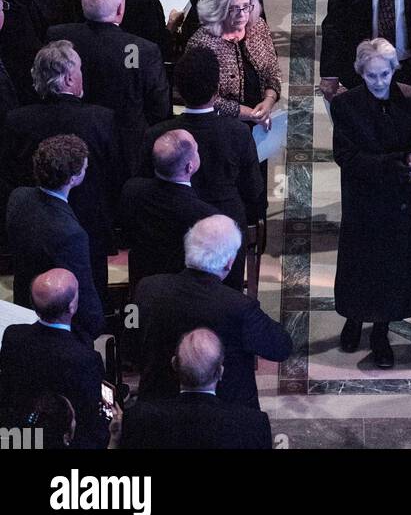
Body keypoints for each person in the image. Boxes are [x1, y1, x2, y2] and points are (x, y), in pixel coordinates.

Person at [332, 38, 411, 368]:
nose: (378, 82)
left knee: (392, 267)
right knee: (359, 264)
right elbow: (346, 156)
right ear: (361, 73)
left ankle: (381, 330)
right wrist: (403, 161)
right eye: (371, 76)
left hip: (399, 199)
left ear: (394, 71)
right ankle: (353, 318)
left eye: (384, 75)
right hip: (363, 198)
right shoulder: (346, 105)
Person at [0, 39, 122, 302]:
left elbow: (8, 177)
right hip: (88, 226)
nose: (82, 76)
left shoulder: (17, 121)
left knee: (33, 299)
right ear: (68, 79)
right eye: (79, 70)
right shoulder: (101, 119)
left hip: (34, 226)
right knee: (88, 298)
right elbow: (114, 176)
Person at [134, 214, 292, 407]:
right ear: (229, 263)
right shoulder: (240, 307)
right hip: (227, 407)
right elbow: (281, 347)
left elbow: (130, 338)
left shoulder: (145, 289)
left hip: (159, 400)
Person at [140, 46, 263, 282]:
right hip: (224, 236)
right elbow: (253, 191)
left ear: (178, 89)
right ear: (217, 90)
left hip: (169, 234)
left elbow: (146, 184)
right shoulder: (237, 132)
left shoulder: (158, 134)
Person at [48, 0, 170, 177]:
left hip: (68, 145)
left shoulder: (58, 37)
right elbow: (160, 108)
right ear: (121, 9)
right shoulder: (143, 50)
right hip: (125, 154)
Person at [5, 133, 103, 339]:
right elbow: (82, 290)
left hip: (24, 297)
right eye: (84, 167)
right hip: (54, 319)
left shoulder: (18, 196)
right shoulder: (71, 234)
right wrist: (96, 323)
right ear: (74, 178)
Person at [0, 269, 109, 449]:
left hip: (19, 433)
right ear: (72, 307)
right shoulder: (85, 358)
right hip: (67, 437)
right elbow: (93, 413)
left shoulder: (13, 335)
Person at [119, 328, 272, 450]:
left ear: (174, 365)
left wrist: (113, 440)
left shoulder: (137, 419)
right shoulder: (253, 425)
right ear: (220, 372)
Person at [119, 129, 219, 289]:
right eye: (196, 150)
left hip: (141, 284)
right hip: (184, 292)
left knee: (134, 315)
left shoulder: (132, 189)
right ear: (189, 167)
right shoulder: (205, 215)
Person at [184, 0, 281, 128]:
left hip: (259, 119)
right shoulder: (201, 44)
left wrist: (269, 100)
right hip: (221, 127)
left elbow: (273, 71)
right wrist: (247, 113)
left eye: (246, 6)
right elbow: (203, 98)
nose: (242, 15)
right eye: (234, 8)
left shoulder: (258, 26)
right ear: (217, 8)